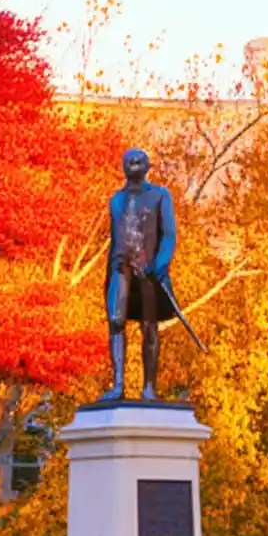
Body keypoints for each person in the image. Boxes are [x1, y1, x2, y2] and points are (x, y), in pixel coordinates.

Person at [100, 148, 179, 401]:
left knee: (149, 325)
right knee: (115, 321)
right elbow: (115, 239)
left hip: (148, 268)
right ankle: (118, 385)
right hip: (120, 267)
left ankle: (149, 388)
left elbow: (168, 233)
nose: (132, 164)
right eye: (128, 161)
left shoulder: (159, 195)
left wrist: (161, 263)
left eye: (138, 161)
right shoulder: (116, 200)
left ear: (147, 166)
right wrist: (109, 277)